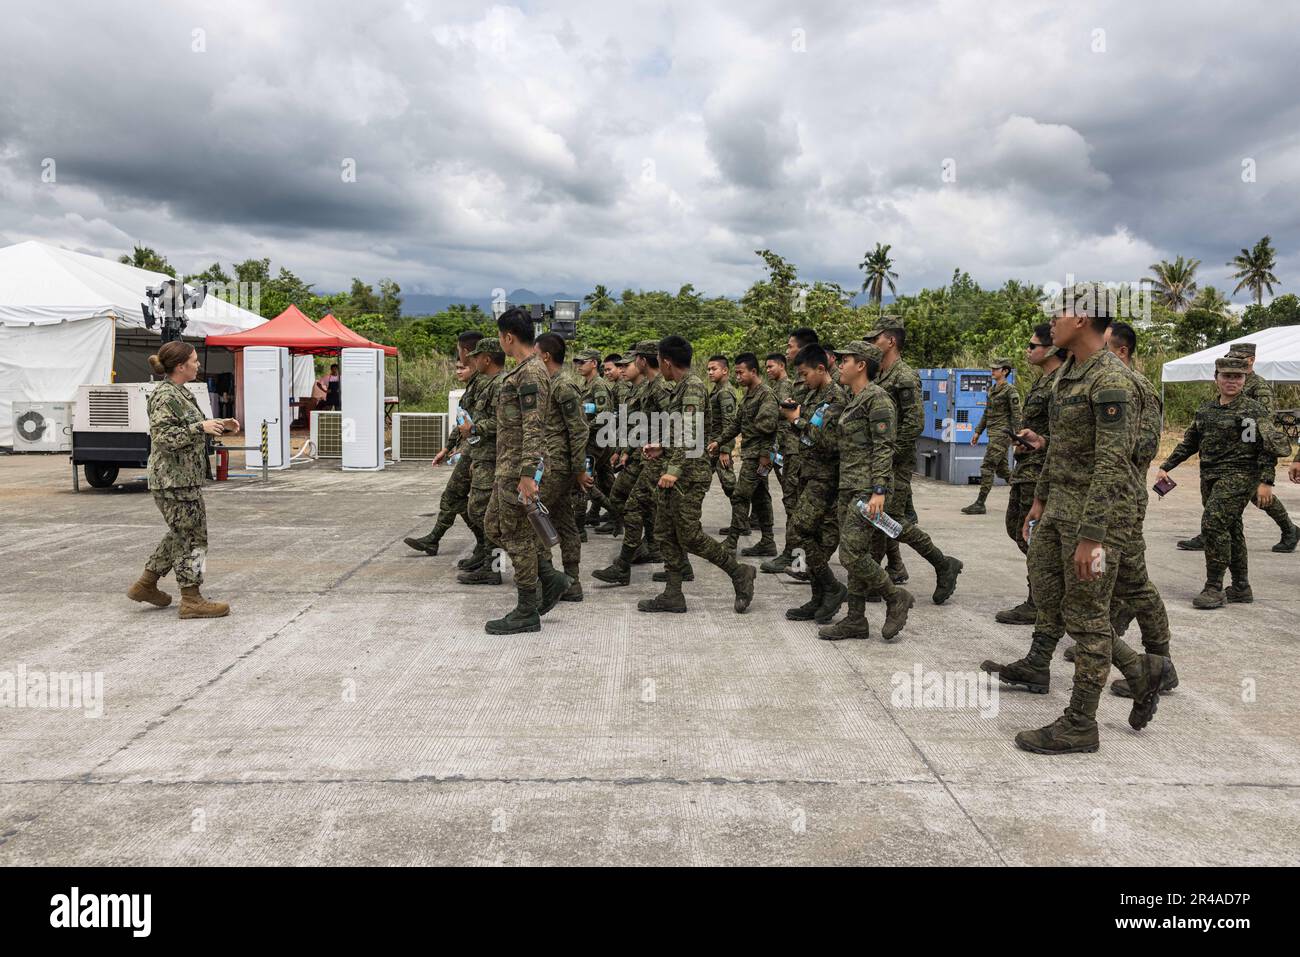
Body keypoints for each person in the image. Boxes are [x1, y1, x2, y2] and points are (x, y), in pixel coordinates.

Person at [982, 298, 1170, 754]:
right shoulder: (1068, 372)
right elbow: (1066, 446)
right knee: (1053, 602)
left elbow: (1113, 462)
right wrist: (1040, 499)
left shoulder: (1112, 381)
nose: (1051, 322)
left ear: (1082, 319)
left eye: (1058, 314)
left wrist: (1093, 536)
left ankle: (1081, 723)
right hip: (1059, 507)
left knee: (1087, 615)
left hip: (1097, 515)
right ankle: (1139, 669)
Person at [1156, 353, 1289, 609]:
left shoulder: (1253, 410)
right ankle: (1240, 587)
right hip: (1210, 477)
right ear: (1216, 378)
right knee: (1231, 528)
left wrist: (1266, 481)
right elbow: (1190, 443)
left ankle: (1213, 587)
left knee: (1213, 524)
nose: (1232, 381)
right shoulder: (1206, 410)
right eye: (1227, 376)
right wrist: (1166, 466)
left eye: (1238, 377)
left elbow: (1267, 447)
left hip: (1240, 476)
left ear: (1244, 379)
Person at [636, 335, 756, 614]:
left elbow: (690, 434)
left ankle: (739, 572)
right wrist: (663, 447)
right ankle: (673, 594)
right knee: (665, 531)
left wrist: (673, 470)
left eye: (659, 360)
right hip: (678, 468)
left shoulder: (692, 387)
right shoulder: (681, 387)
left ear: (666, 362)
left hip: (689, 474)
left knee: (689, 535)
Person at [814, 341, 914, 641]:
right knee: (858, 552)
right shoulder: (853, 399)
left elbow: (885, 447)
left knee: (850, 553)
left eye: (845, 360)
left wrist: (879, 490)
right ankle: (855, 619)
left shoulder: (877, 399)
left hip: (868, 489)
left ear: (861, 366)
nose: (839, 365)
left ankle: (895, 596)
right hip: (849, 486)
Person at [127, 341, 232, 619]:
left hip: (183, 479)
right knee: (192, 538)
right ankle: (191, 599)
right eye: (194, 361)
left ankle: (146, 584)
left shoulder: (180, 392)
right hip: (173, 481)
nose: (198, 364)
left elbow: (186, 429)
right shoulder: (165, 396)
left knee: (181, 533)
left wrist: (216, 426)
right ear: (180, 366)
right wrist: (200, 427)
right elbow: (163, 438)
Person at [482, 307, 568, 634]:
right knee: (493, 525)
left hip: (518, 469)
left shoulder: (530, 372)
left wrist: (528, 474)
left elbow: (534, 427)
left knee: (516, 537)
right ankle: (549, 576)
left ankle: (527, 609)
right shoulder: (522, 370)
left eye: (500, 337)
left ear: (508, 337)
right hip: (508, 466)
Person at [866, 315, 964, 603]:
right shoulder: (881, 374)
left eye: (876, 338)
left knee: (891, 520)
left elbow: (915, 422)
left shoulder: (904, 376)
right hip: (883, 460)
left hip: (896, 462)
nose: (872, 343)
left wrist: (890, 451)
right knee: (879, 520)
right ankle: (874, 579)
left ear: (891, 341)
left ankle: (943, 564)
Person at [1175, 342, 1297, 553]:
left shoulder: (1259, 387)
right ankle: (1213, 532)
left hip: (1248, 452)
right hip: (1227, 452)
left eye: (1239, 358)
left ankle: (1288, 529)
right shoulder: (1231, 379)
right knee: (1224, 495)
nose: (1234, 362)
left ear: (1251, 360)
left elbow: (1264, 423)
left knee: (1254, 494)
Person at [995, 324, 1064, 623]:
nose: (1027, 350)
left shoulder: (1059, 383)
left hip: (1041, 472)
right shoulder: (1042, 381)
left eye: (1033, 345)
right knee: (1017, 529)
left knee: (1032, 536)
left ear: (1051, 349)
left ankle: (1041, 601)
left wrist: (1041, 442)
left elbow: (1065, 433)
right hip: (1027, 467)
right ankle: (1046, 596)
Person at [779, 344, 848, 624]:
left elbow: (829, 443)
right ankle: (818, 597)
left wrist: (797, 421)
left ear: (821, 369)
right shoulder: (812, 394)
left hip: (825, 478)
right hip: (809, 474)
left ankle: (832, 587)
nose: (803, 379)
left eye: (805, 374)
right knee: (814, 537)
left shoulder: (836, 399)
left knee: (798, 531)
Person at [405, 332, 482, 556]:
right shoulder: (473, 386)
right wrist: (448, 448)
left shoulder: (482, 385)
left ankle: (483, 543)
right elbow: (462, 421)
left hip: (476, 452)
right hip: (470, 451)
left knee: (454, 497)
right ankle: (442, 539)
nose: (458, 369)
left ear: (467, 352)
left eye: (461, 362)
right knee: (454, 497)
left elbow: (475, 424)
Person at [536, 334, 589, 602]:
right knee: (563, 521)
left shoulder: (564, 385)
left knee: (533, 519)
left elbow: (579, 429)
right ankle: (571, 582)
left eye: (535, 354)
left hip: (556, 466)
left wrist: (579, 469)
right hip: (550, 464)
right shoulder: (547, 383)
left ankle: (548, 581)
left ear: (546, 356)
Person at [711, 353, 780, 555]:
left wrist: (765, 456)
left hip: (758, 456)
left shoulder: (765, 395)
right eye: (736, 373)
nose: (738, 377)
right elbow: (736, 424)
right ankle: (768, 542)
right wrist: (719, 441)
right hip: (752, 453)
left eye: (741, 373)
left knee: (740, 496)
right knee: (760, 498)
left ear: (753, 371)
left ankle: (731, 542)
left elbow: (769, 428)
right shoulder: (750, 394)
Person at [457, 337, 507, 585]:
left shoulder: (500, 385)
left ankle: (494, 566)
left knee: (482, 513)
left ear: (487, 359)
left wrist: (475, 428)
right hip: (483, 456)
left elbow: (502, 421)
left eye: (476, 356)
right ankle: (490, 564)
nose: (473, 360)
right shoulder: (488, 383)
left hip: (493, 457)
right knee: (481, 512)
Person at [962, 358, 1020, 514]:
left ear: (1005, 371)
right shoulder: (992, 389)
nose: (992, 371)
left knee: (987, 466)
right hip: (992, 432)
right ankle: (1023, 493)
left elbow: (1017, 414)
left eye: (996, 369)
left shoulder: (1010, 390)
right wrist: (978, 431)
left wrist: (1019, 435)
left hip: (1002, 433)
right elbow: (986, 413)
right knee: (1002, 470)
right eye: (992, 368)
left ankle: (980, 503)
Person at [572, 348, 614, 532]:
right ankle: (614, 515)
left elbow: (604, 415)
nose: (578, 366)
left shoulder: (598, 386)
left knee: (582, 481)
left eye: (582, 362)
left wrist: (583, 429)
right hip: (592, 440)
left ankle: (579, 528)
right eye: (577, 362)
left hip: (595, 441)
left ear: (594, 363)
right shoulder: (586, 385)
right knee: (604, 482)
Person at [763, 350, 798, 570]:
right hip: (780, 447)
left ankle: (795, 554)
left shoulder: (785, 386)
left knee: (792, 500)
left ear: (782, 366)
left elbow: (783, 415)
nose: (768, 370)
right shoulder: (777, 386)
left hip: (786, 448)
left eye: (771, 366)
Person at [705, 354, 739, 510]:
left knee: (730, 485)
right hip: (713, 445)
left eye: (714, 369)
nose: (710, 372)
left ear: (725, 370)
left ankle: (741, 520)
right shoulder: (717, 390)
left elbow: (729, 422)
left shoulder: (725, 392)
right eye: (708, 369)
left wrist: (725, 450)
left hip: (720, 446)